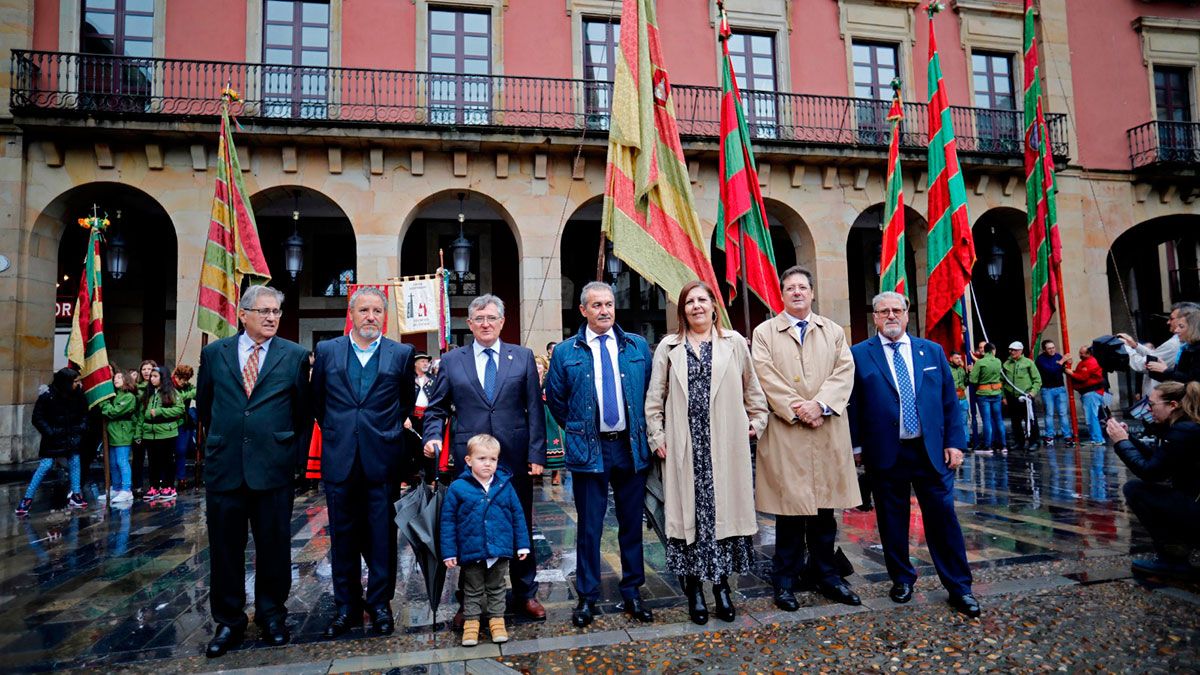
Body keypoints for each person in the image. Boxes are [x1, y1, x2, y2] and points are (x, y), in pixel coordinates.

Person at [195, 285, 311, 658]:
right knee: (225, 549)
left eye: (276, 311)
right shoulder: (215, 354)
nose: (272, 317)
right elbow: (206, 405)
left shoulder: (294, 356)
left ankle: (271, 614)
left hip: (273, 467)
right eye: (263, 311)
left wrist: (289, 454)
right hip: (225, 466)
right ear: (242, 315)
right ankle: (228, 620)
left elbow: (302, 412)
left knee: (275, 546)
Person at [849, 291, 980, 618]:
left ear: (907, 315)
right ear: (875, 317)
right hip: (885, 452)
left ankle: (959, 587)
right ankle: (902, 579)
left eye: (896, 310)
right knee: (892, 521)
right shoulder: (858, 355)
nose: (891, 316)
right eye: (883, 311)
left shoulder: (931, 351)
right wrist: (856, 448)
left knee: (944, 520)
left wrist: (954, 443)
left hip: (930, 452)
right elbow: (853, 406)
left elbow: (950, 403)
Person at [646, 280, 768, 624]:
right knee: (692, 522)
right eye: (689, 302)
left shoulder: (734, 344)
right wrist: (657, 436)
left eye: (702, 300)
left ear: (714, 305)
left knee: (724, 520)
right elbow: (655, 399)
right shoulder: (669, 347)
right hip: (686, 448)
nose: (696, 306)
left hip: (725, 447)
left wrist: (756, 424)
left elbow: (753, 391)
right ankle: (695, 591)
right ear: (682, 310)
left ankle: (722, 589)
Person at [422, 294, 547, 622]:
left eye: (492, 318)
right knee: (470, 526)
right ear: (470, 323)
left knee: (520, 524)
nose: (486, 324)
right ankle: (470, 602)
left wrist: (537, 454)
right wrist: (433, 435)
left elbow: (535, 409)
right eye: (479, 319)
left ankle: (525, 593)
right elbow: (436, 408)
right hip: (471, 460)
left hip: (514, 457)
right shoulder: (452, 361)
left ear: (502, 321)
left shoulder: (521, 358)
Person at [750, 266, 862, 611]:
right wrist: (798, 408)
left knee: (824, 512)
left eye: (802, 287)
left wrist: (820, 405)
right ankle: (784, 579)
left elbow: (845, 371)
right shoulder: (765, 332)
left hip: (825, 430)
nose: (797, 292)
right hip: (788, 433)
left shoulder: (832, 331)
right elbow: (763, 374)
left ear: (812, 293)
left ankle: (827, 574)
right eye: (790, 288)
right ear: (781, 295)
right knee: (789, 513)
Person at [545, 281, 655, 627]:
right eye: (597, 305)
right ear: (583, 310)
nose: (605, 310)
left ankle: (633, 590)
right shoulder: (566, 352)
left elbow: (652, 393)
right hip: (589, 450)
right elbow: (557, 400)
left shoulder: (636, 346)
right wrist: (581, 429)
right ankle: (587, 596)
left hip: (630, 447)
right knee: (589, 527)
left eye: (608, 304)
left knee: (631, 525)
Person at [311, 286, 417, 639]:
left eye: (376, 311)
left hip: (381, 459)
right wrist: (342, 429)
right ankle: (346, 606)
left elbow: (405, 400)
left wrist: (380, 430)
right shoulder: (327, 351)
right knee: (341, 536)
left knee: (382, 536)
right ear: (351, 313)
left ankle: (380, 604)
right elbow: (317, 401)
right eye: (364, 310)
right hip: (340, 458)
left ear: (384, 316)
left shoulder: (401, 354)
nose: (370, 317)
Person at [441, 434, 530, 647]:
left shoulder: (504, 486)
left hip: (499, 549)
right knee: (472, 588)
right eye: (482, 459)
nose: (488, 464)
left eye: (493, 459)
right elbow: (448, 522)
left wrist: (523, 543)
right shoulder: (458, 488)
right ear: (469, 460)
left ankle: (497, 621)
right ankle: (471, 623)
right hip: (472, 549)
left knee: (497, 586)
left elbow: (518, 515)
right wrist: (449, 551)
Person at [1106, 381, 1200, 578]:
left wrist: (1121, 442)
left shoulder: (1183, 431)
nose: (1148, 410)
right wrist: (1128, 438)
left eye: (1152, 405)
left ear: (1172, 405)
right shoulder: (1188, 427)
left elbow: (1151, 472)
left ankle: (1173, 558)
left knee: (1135, 490)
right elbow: (1161, 459)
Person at [16, 368, 90, 516]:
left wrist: (80, 428)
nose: (78, 383)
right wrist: (50, 432)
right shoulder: (48, 395)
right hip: (54, 438)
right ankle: (27, 499)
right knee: (45, 466)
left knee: (75, 462)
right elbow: (37, 418)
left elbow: (84, 414)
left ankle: (76, 494)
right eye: (75, 381)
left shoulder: (78, 395)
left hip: (71, 436)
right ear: (66, 381)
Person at [1119, 303, 1199, 398]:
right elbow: (1155, 356)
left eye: (1181, 326)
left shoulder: (1178, 345)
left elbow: (1192, 380)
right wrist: (1135, 346)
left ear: (1192, 327)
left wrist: (1126, 349)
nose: (1168, 322)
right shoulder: (1186, 347)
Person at [140, 366, 185, 502]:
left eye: (155, 376)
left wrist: (160, 412)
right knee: (153, 461)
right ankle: (154, 486)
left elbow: (179, 409)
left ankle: (168, 486)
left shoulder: (171, 392)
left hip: (166, 432)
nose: (152, 378)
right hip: (150, 433)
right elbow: (142, 413)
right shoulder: (148, 393)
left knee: (167, 460)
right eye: (151, 376)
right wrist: (140, 430)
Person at [99, 369, 139, 504]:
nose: (116, 380)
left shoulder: (129, 397)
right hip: (113, 433)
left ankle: (126, 489)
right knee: (113, 463)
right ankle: (116, 487)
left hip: (122, 432)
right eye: (115, 378)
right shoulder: (115, 395)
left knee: (122, 461)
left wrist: (105, 405)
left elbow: (114, 412)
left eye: (119, 378)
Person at [1001, 341, 1041, 451]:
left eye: (1014, 350)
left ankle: (1034, 442)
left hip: (1025, 397)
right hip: (1012, 397)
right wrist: (1003, 396)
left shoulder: (1028, 363)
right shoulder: (1006, 364)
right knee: (1015, 421)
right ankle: (1019, 442)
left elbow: (1037, 380)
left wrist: (1032, 393)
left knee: (1031, 420)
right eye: (1010, 349)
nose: (1011, 352)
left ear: (1020, 351)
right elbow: (1002, 381)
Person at [1065, 346, 1107, 445]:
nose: (1080, 355)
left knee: (1092, 417)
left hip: (1092, 393)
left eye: (1082, 353)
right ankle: (1095, 438)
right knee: (1091, 416)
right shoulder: (1084, 362)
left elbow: (1083, 377)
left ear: (1088, 353)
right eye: (1080, 353)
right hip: (1089, 393)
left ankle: (1098, 439)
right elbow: (1080, 374)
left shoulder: (1091, 362)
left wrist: (1071, 373)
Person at [968, 343, 1006, 454]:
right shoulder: (998, 361)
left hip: (984, 394)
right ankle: (1003, 446)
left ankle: (988, 446)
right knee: (999, 420)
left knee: (987, 420)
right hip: (996, 393)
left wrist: (972, 370)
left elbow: (973, 380)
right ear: (993, 350)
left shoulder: (980, 363)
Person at [403, 352, 434, 485]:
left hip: (428, 417)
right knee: (409, 449)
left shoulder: (434, 379)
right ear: (415, 363)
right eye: (422, 361)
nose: (425, 363)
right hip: (412, 418)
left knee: (429, 446)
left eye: (427, 361)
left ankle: (430, 477)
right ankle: (408, 478)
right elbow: (402, 400)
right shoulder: (408, 379)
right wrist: (405, 417)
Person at [1147, 308, 1200, 385]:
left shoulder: (1195, 349)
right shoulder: (1186, 347)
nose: (1176, 330)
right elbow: (1179, 377)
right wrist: (1162, 369)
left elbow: (1194, 381)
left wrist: (1165, 370)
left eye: (1181, 327)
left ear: (1193, 329)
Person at [535, 355, 565, 486]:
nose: (537, 367)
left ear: (545, 367)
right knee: (537, 443)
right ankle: (538, 472)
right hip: (536, 414)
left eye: (539, 364)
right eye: (535, 364)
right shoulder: (529, 379)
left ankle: (556, 472)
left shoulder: (550, 379)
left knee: (554, 442)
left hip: (550, 414)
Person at [1036, 340, 1071, 446]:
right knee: (1049, 414)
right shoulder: (1041, 359)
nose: (1052, 350)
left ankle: (1067, 436)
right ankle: (1049, 436)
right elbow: (1050, 371)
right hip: (1047, 389)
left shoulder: (1058, 356)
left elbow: (1065, 367)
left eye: (1053, 347)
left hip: (1060, 388)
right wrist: (1061, 362)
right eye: (1049, 348)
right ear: (1044, 350)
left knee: (1063, 413)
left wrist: (1067, 361)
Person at [131, 359, 157, 496]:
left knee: (154, 459)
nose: (146, 371)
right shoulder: (136, 388)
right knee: (137, 459)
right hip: (138, 427)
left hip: (153, 428)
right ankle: (137, 486)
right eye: (144, 369)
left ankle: (155, 485)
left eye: (149, 369)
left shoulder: (159, 388)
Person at [173, 365, 197, 488]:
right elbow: (177, 398)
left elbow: (197, 393)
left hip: (184, 423)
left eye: (187, 379)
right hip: (170, 423)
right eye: (182, 379)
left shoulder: (187, 386)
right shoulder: (169, 386)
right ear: (176, 377)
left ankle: (181, 477)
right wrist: (189, 394)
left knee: (181, 450)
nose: (184, 382)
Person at [949, 353, 970, 444]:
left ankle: (966, 441)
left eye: (960, 358)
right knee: (952, 421)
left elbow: (966, 382)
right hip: (952, 398)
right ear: (951, 359)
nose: (959, 360)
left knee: (964, 421)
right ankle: (954, 441)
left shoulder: (961, 369)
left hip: (962, 398)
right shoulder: (947, 369)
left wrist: (969, 373)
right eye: (956, 358)